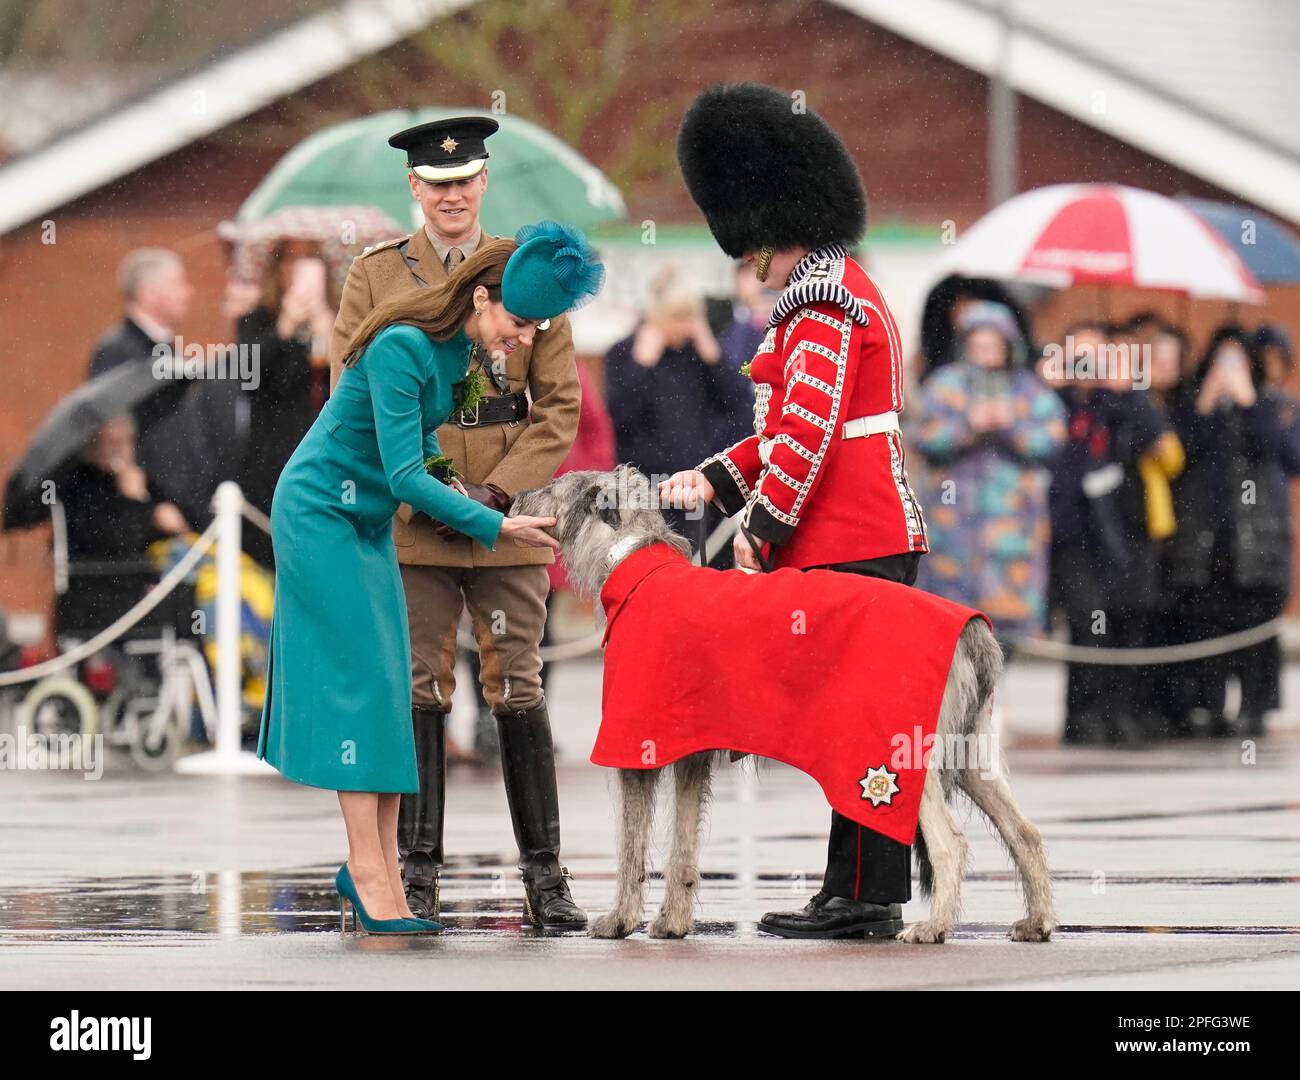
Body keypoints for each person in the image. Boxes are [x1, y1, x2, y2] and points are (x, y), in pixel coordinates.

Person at [258, 226, 603, 934]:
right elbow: (403, 473)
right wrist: (494, 525)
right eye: (515, 323)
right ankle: (368, 869)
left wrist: (479, 498)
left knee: (389, 686)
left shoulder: (456, 351)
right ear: (481, 298)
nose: (520, 339)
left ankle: (382, 868)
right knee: (361, 686)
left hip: (365, 518)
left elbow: (422, 454)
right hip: (321, 512)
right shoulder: (403, 347)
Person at [660, 83, 928, 940]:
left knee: (861, 720)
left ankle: (864, 893)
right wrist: (714, 480)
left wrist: (760, 534)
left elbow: (807, 440)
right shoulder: (832, 289)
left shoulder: (819, 301)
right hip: (862, 527)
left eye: (751, 255)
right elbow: (790, 431)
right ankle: (862, 884)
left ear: (775, 234)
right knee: (866, 718)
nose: (749, 269)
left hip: (853, 533)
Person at [327, 118, 587, 928]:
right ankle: (416, 869)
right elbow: (356, 393)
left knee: (518, 683)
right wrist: (434, 495)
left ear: (484, 183)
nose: (452, 196)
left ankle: (545, 876)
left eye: (465, 181)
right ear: (413, 188)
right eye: (437, 184)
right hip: (415, 520)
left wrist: (500, 500)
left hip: (504, 520)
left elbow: (560, 406)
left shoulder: (527, 272)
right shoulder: (374, 276)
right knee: (419, 688)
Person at [1165, 325, 1300, 738]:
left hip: (1257, 539)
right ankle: (1208, 706)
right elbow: (1177, 455)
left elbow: (1288, 455)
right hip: (1205, 540)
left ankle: (1255, 707)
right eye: (1220, 360)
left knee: (1256, 627)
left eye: (1236, 360)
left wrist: (1249, 402)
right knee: (1207, 623)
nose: (1227, 370)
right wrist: (1205, 403)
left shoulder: (1275, 405)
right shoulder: (1191, 404)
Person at [911, 301, 1066, 645]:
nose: (986, 353)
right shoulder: (945, 385)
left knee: (1007, 632)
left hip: (1014, 530)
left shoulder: (1028, 389)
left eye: (993, 345)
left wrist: (1013, 427)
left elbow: (1053, 438)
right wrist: (969, 425)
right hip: (952, 529)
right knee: (948, 624)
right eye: (978, 345)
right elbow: (920, 436)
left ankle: (996, 692)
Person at [233, 243, 333, 568]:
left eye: (311, 261)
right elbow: (248, 379)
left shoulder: (340, 320)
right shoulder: (256, 321)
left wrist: (329, 333)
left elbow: (353, 384)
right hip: (273, 458)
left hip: (326, 457)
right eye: (292, 261)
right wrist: (284, 328)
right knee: (273, 561)